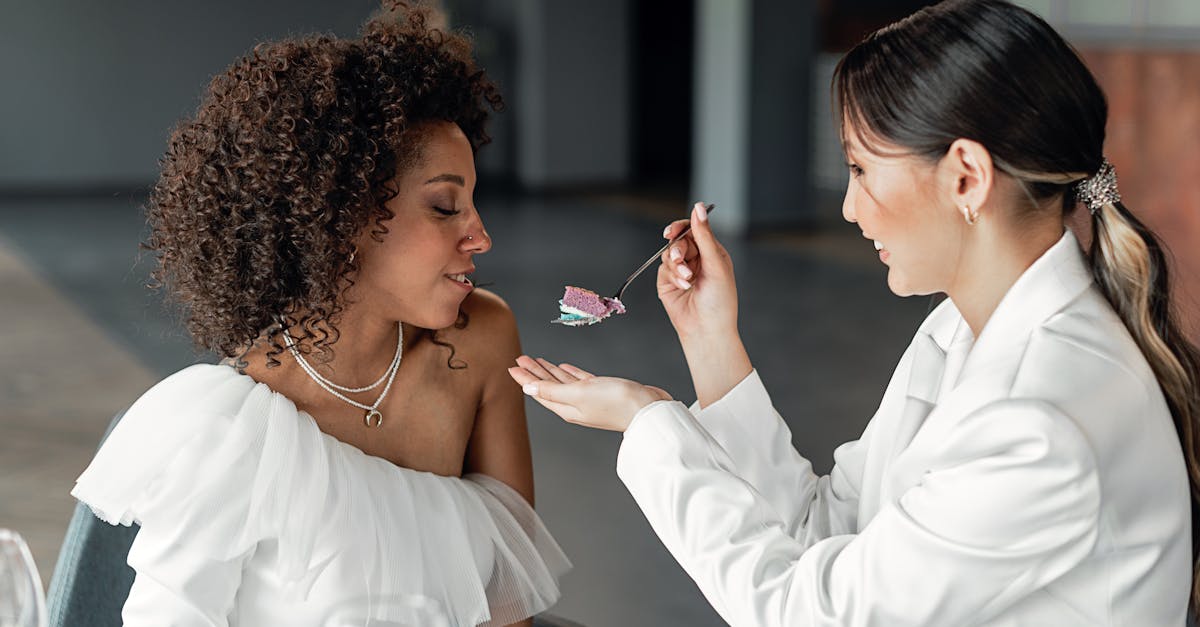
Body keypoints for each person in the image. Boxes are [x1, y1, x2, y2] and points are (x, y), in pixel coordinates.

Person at [510, 0, 1200, 624]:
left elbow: (809, 613)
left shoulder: (1039, 422)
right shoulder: (960, 328)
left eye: (862, 170)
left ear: (966, 175)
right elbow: (830, 523)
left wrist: (648, 421)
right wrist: (711, 336)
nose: (847, 207)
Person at [71, 4, 568, 626]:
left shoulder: (482, 342)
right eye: (445, 207)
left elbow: (507, 599)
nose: (480, 236)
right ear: (346, 217)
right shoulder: (234, 425)